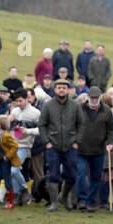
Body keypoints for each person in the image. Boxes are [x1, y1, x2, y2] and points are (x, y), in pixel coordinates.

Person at [37, 78, 84, 211]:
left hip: (71, 146)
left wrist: (77, 141)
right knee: (53, 175)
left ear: (68, 90)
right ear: (55, 89)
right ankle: (54, 203)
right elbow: (41, 124)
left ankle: (64, 196)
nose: (62, 90)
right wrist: (46, 141)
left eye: (64, 87)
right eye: (59, 87)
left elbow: (81, 124)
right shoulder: (48, 105)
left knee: (72, 175)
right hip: (53, 146)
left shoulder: (75, 105)